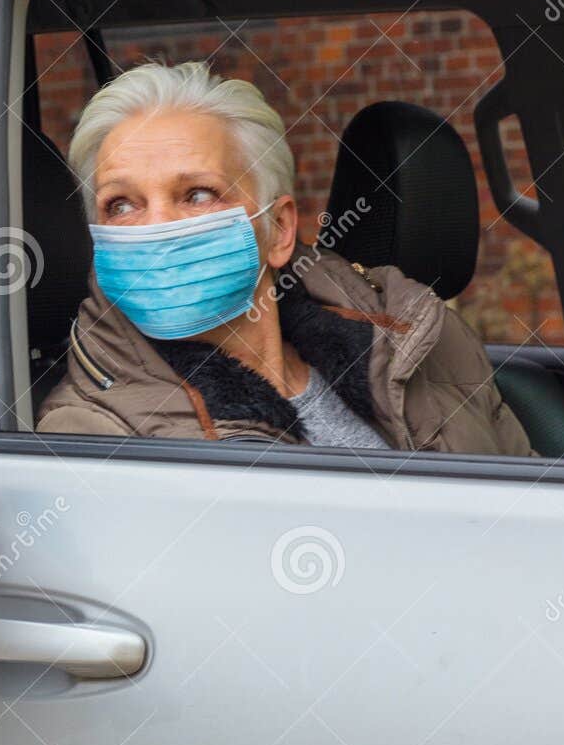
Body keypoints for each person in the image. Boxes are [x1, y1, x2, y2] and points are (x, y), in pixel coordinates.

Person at [36, 60, 534, 455]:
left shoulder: (427, 345)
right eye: (121, 205)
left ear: (279, 230)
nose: (159, 226)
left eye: (199, 194)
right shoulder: (89, 437)